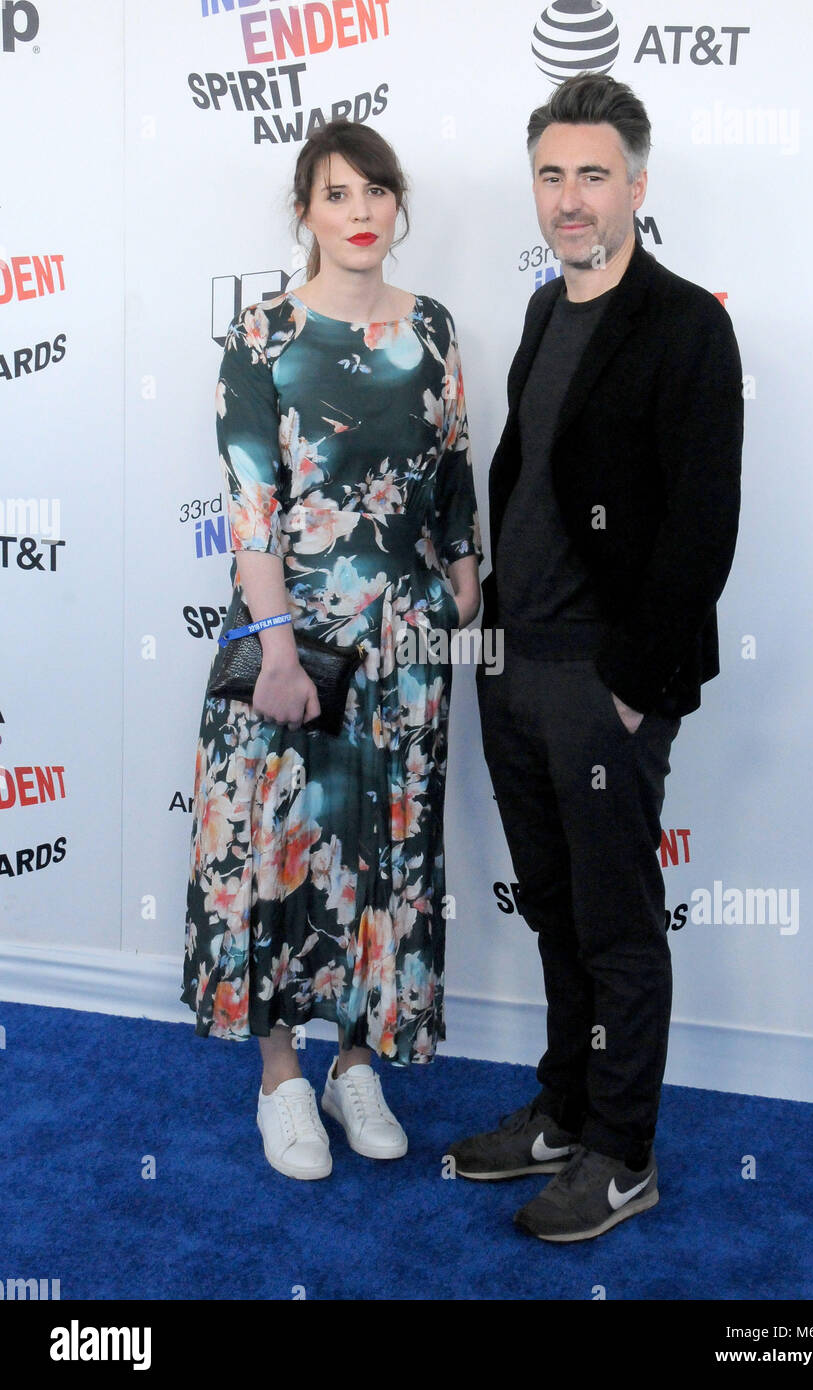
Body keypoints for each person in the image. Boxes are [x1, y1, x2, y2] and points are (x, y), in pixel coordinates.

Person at [447, 73, 743, 1240]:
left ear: (638, 183)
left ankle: (623, 1152)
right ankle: (565, 1111)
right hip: (514, 667)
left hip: (600, 684)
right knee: (557, 914)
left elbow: (700, 529)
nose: (571, 199)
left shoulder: (686, 325)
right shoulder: (540, 311)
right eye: (553, 176)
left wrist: (631, 688)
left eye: (595, 175)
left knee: (616, 926)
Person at [182, 120, 482, 1181]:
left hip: (405, 647)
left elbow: (451, 469)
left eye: (377, 192)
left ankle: (358, 1059)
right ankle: (281, 1078)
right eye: (337, 193)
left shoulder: (437, 328)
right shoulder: (261, 334)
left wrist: (464, 576)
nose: (361, 212)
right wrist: (273, 652)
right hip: (292, 633)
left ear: (398, 207)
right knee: (280, 847)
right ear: (304, 211)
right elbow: (250, 508)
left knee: (386, 854)